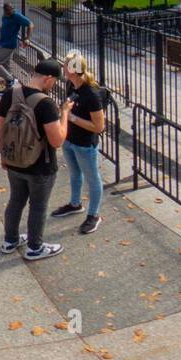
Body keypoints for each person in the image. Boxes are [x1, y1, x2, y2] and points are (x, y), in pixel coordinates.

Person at [0, 55, 68, 262]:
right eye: (54, 81)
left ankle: (10, 240)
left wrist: (4, 155)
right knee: (38, 206)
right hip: (40, 166)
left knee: (16, 200)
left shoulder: (10, 94)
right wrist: (64, 114)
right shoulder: (46, 104)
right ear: (47, 78)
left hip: (14, 161)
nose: (54, 85)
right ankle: (35, 248)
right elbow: (57, 141)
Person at [49, 51, 110, 236]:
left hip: (85, 144)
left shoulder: (91, 93)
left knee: (93, 179)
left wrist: (71, 117)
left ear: (73, 69)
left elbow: (99, 127)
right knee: (75, 173)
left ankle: (94, 215)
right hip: (70, 139)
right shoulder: (71, 85)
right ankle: (75, 204)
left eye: (66, 65)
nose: (63, 68)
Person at [0, 0, 30, 85]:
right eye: (8, 11)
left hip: (8, 45)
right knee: (5, 64)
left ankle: (10, 79)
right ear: (5, 10)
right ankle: (9, 86)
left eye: (11, 10)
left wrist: (27, 38)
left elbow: (30, 24)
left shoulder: (16, 16)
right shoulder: (4, 16)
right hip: (3, 42)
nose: (10, 12)